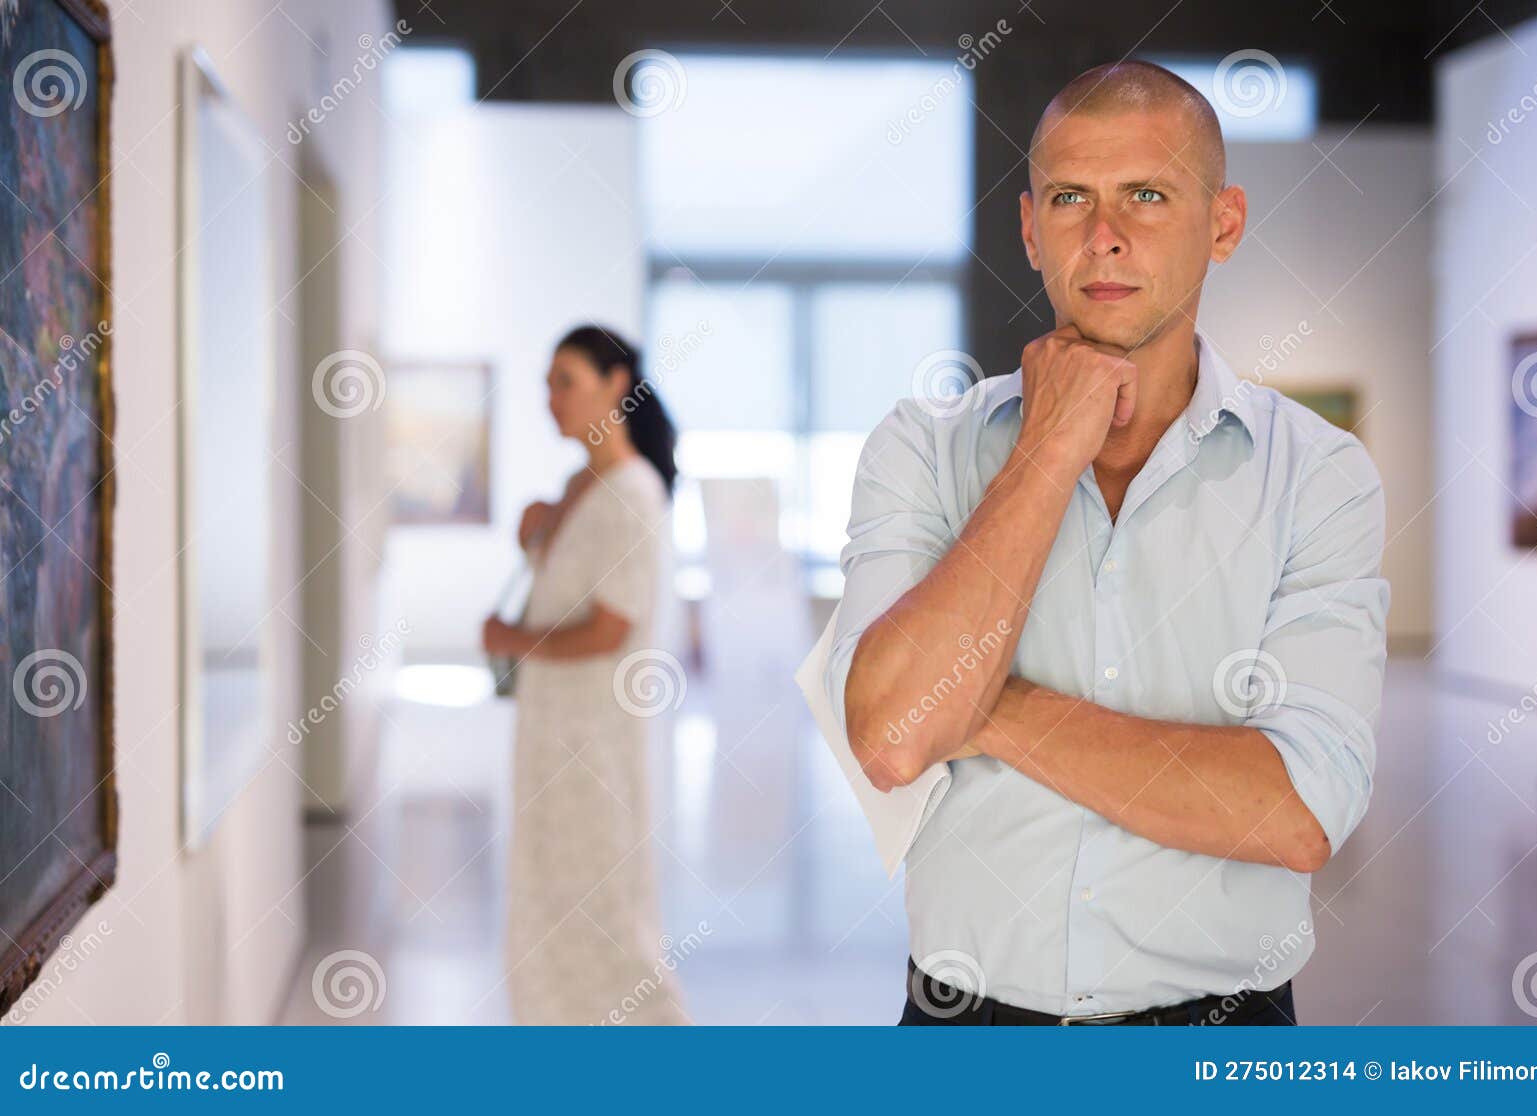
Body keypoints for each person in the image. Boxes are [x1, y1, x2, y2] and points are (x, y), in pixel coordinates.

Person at [825, 61, 1390, 1026]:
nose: (1106, 235)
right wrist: (1046, 454)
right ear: (1030, 229)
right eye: (1071, 197)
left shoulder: (1319, 474)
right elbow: (887, 740)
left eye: (1149, 195)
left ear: (1224, 224)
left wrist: (974, 708)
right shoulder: (920, 447)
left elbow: (1294, 813)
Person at [481, 325, 688, 1025]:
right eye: (547, 383)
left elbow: (609, 628)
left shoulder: (632, 492)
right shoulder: (583, 484)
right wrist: (537, 533)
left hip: (594, 743)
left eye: (565, 381)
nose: (550, 398)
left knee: (606, 904)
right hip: (552, 733)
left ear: (615, 385)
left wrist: (511, 637)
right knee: (551, 894)